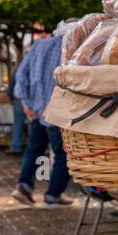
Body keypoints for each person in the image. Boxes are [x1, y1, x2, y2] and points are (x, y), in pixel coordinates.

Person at [10, 33, 73, 207]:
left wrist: (25, 103)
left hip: (36, 110)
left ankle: (24, 187)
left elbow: (21, 74)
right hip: (58, 113)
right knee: (63, 155)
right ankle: (52, 195)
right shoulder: (73, 46)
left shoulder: (39, 45)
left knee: (36, 150)